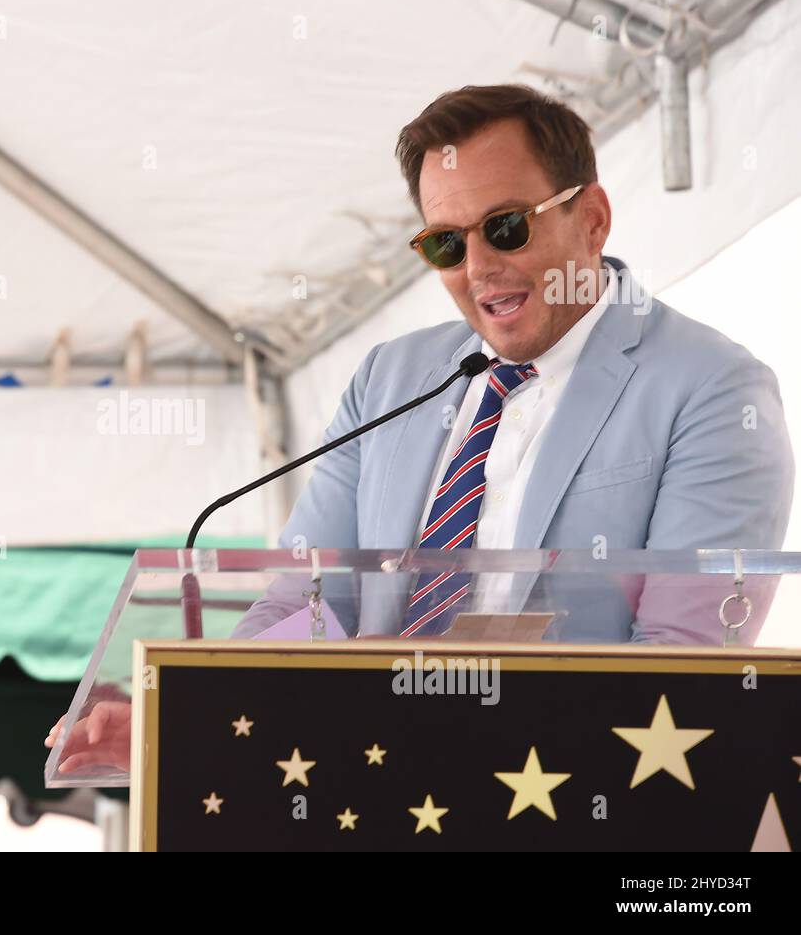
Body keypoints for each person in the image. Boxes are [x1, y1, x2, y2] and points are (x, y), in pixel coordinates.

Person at [46, 83, 794, 773]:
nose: (477, 268)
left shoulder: (712, 388)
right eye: (445, 243)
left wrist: (420, 704)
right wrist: (193, 721)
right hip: (369, 798)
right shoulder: (390, 379)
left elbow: (685, 669)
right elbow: (306, 604)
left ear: (592, 218)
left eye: (506, 227)